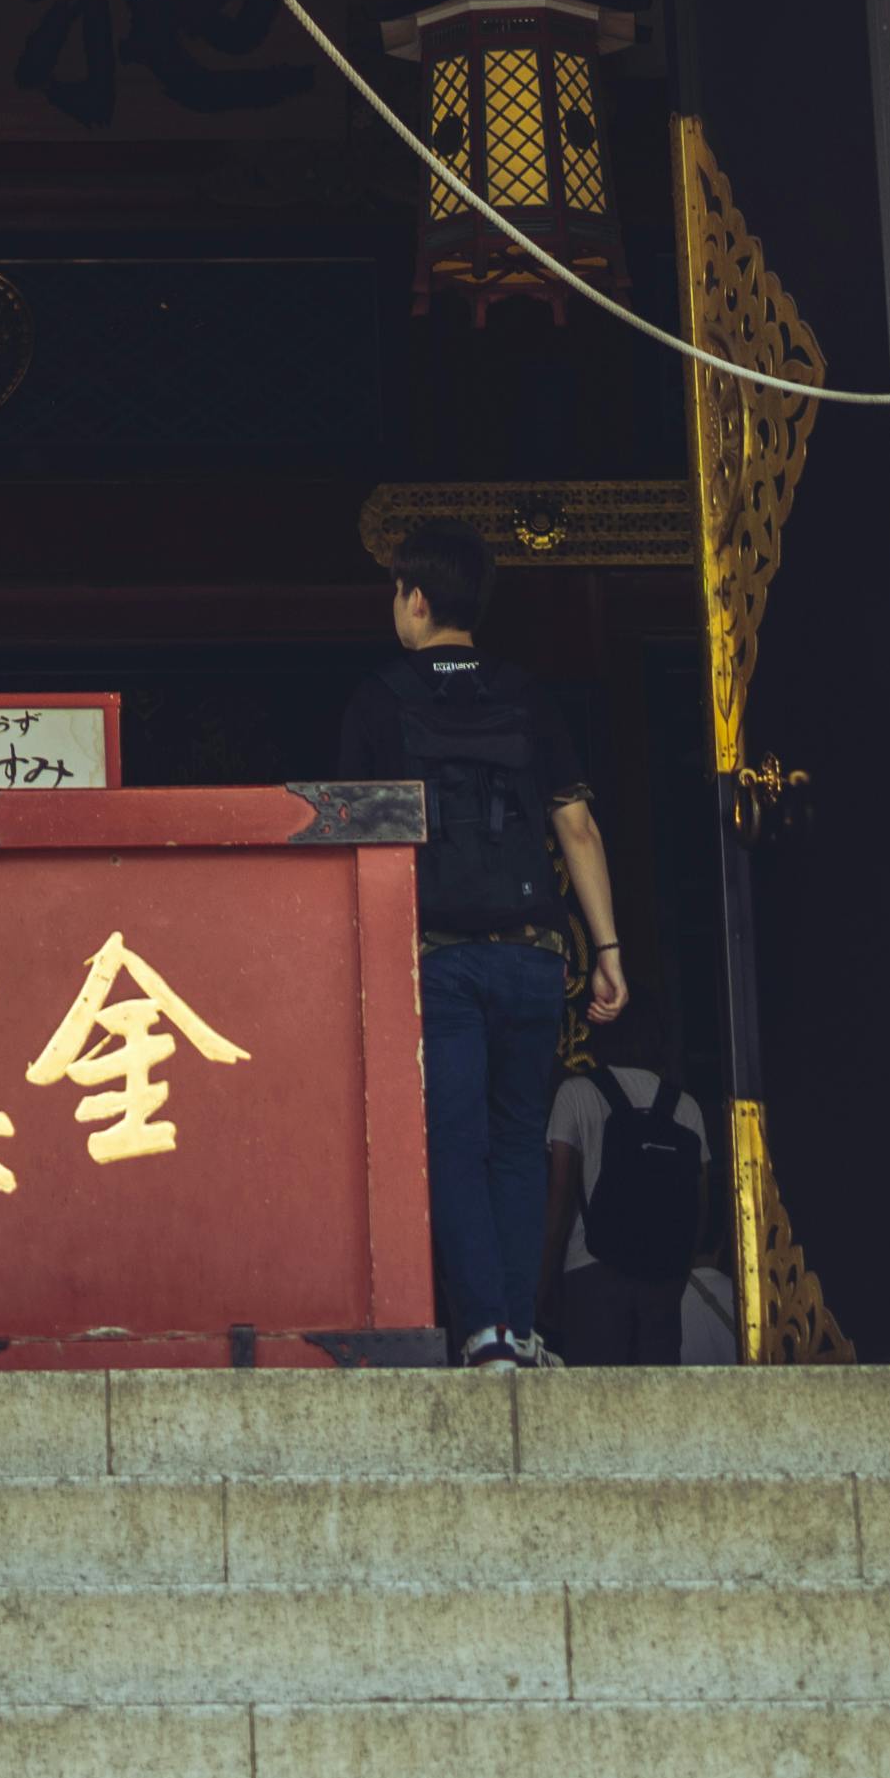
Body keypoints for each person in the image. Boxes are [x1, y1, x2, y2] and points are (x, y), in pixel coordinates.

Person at [334, 521, 625, 1369]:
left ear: (415, 600)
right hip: (535, 953)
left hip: (439, 958)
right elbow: (576, 825)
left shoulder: (379, 698)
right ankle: (523, 1329)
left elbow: (355, 838)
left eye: (397, 594)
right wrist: (606, 947)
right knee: (518, 1141)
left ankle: (486, 1333)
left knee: (454, 1144)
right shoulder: (527, 694)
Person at [544, 1011, 733, 1365]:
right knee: (656, 1402)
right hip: (662, 1279)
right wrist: (677, 1273)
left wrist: (543, 1286)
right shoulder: (685, 1105)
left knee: (595, 1401)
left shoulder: (576, 1093)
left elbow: (560, 1198)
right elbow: (699, 1206)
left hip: (590, 1272)